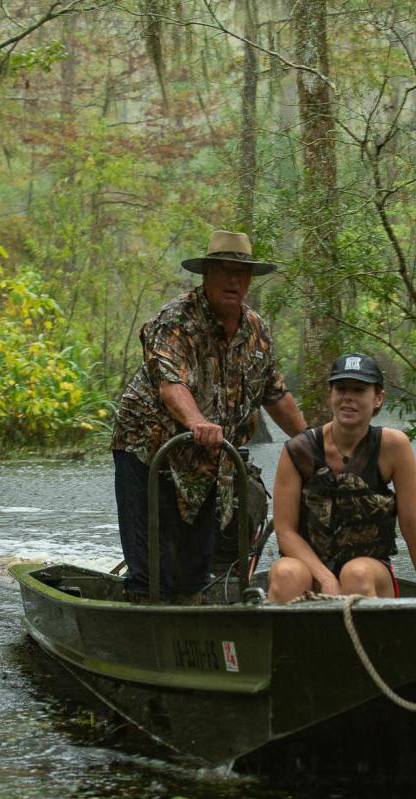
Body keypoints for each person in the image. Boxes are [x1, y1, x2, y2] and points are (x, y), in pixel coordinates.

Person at [111, 230, 307, 601]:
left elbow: (276, 394)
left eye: (241, 273)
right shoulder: (175, 320)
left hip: (207, 457)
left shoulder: (256, 330)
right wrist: (197, 421)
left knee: (194, 570)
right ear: (207, 275)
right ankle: (142, 614)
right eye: (224, 271)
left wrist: (311, 443)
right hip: (148, 450)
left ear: (249, 280)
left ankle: (195, 618)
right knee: (151, 570)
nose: (233, 280)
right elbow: (171, 384)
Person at [267, 352, 416, 603]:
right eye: (341, 389)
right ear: (331, 394)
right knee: (285, 573)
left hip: (370, 570)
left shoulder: (393, 446)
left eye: (359, 390)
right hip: (311, 568)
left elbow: (413, 526)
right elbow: (285, 531)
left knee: (356, 574)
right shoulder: (298, 450)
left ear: (378, 398)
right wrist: (326, 578)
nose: (348, 397)